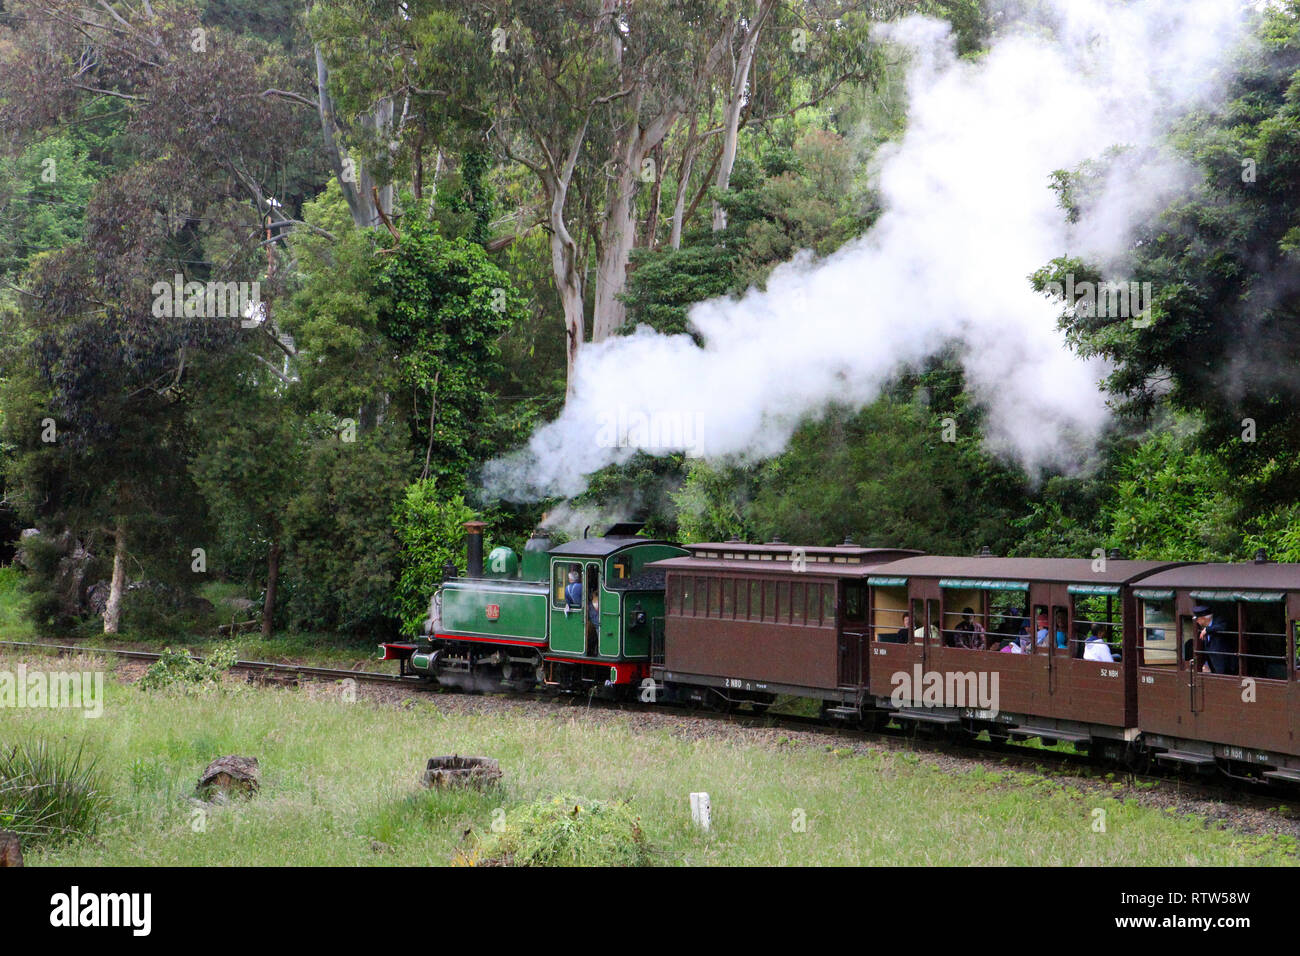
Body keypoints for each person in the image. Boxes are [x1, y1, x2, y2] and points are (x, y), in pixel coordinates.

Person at [1194, 605, 1237, 675]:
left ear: (1203, 618)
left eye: (1197, 619)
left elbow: (1223, 627)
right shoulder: (1204, 627)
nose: (1197, 622)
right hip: (1214, 665)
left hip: (1226, 665)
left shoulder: (1219, 621)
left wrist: (1208, 630)